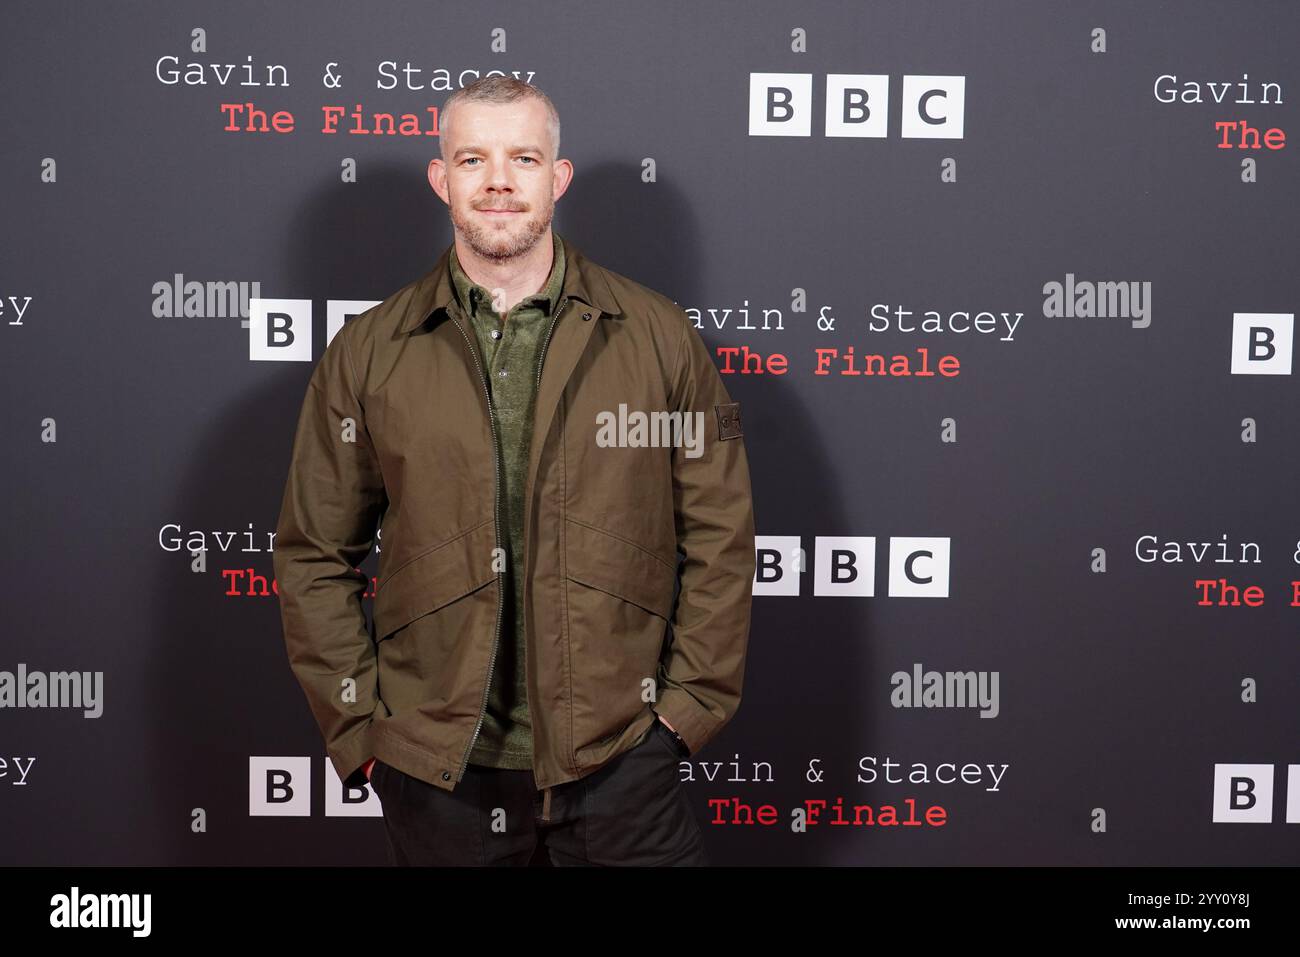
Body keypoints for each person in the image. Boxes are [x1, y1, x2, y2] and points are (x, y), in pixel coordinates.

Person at [273, 75, 755, 866]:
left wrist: (681, 718)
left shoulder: (659, 337)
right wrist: (362, 730)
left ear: (556, 178)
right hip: (439, 777)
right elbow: (312, 555)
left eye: (524, 157)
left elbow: (721, 536)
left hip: (623, 761)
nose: (499, 181)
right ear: (443, 179)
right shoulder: (368, 351)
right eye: (473, 158)